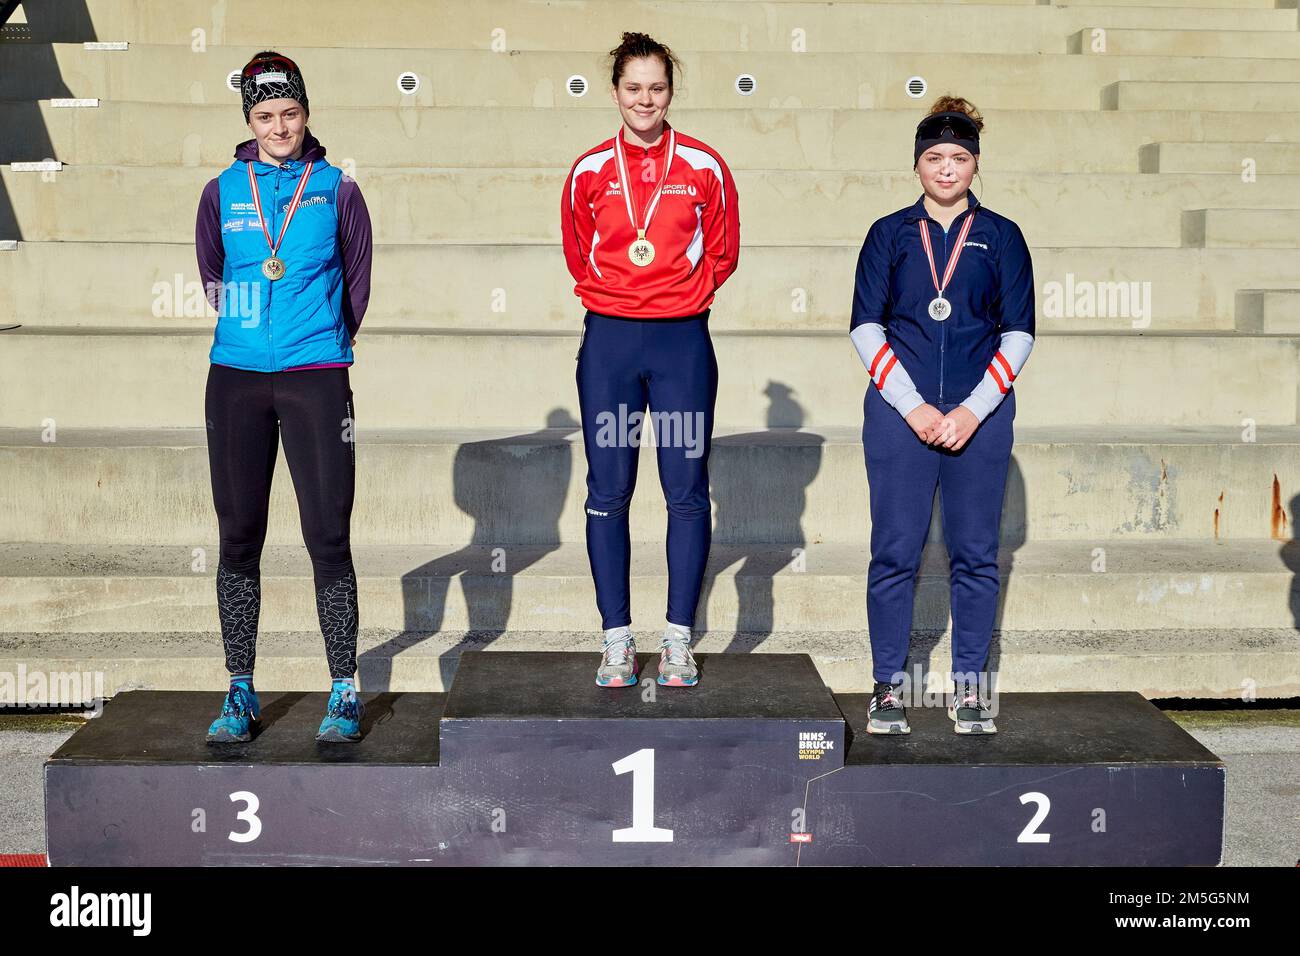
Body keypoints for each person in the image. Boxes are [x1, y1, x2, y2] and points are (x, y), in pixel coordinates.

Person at [195, 51, 374, 741]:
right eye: (266, 116)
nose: (279, 126)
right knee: (239, 536)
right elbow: (211, 272)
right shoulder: (221, 189)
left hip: (316, 375)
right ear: (249, 119)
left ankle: (343, 689)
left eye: (290, 114)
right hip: (236, 377)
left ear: (307, 115)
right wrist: (247, 327)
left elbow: (356, 283)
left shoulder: (338, 189)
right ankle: (239, 689)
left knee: (327, 535)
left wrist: (318, 337)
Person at [849, 97, 1035, 734]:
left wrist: (971, 412)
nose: (947, 168)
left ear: (976, 165)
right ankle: (888, 688)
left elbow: (1019, 335)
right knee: (895, 552)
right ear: (917, 165)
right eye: (934, 157)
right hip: (901, 418)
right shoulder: (888, 234)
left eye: (959, 158)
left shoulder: (1003, 236)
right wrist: (917, 407)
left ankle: (970, 689)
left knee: (977, 555)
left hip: (979, 421)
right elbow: (866, 329)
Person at [561, 32, 740, 688]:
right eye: (633, 88)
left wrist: (678, 295)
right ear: (615, 93)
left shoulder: (703, 165)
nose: (645, 99)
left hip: (680, 345)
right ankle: (615, 641)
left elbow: (722, 252)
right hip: (610, 344)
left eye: (657, 88)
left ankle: (676, 641)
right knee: (608, 491)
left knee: (686, 492)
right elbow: (579, 253)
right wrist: (624, 296)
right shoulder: (588, 171)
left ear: (671, 92)